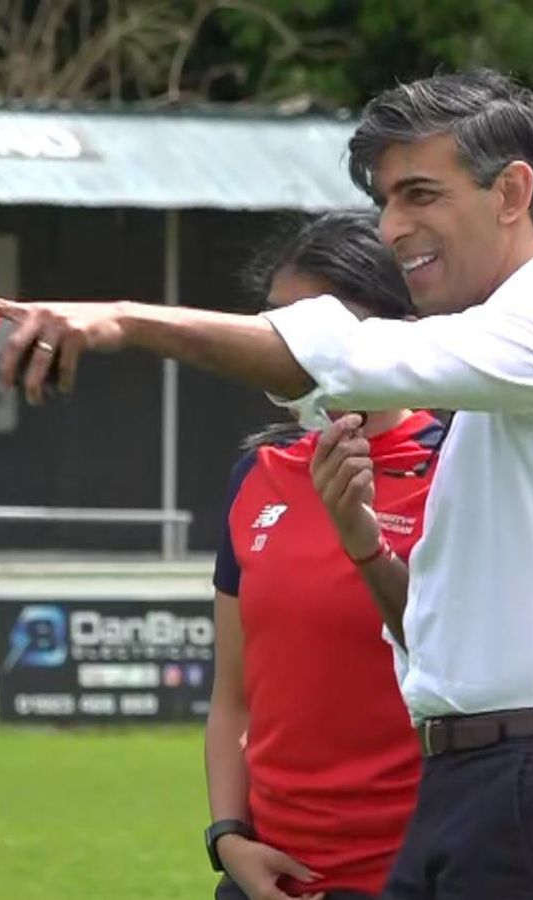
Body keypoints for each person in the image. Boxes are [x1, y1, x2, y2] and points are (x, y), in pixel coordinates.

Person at [0, 67, 533, 900]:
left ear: (512, 191)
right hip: (484, 780)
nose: (393, 227)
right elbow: (440, 639)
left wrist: (123, 321)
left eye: (419, 195)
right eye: (386, 200)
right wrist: (366, 545)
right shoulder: (500, 377)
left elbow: (352, 358)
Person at [205, 211, 441, 900]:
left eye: (306, 327)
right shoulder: (258, 475)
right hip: (267, 880)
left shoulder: (456, 465)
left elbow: (452, 657)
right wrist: (228, 839)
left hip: (413, 875)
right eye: (273, 324)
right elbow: (231, 698)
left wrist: (364, 543)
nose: (279, 347)